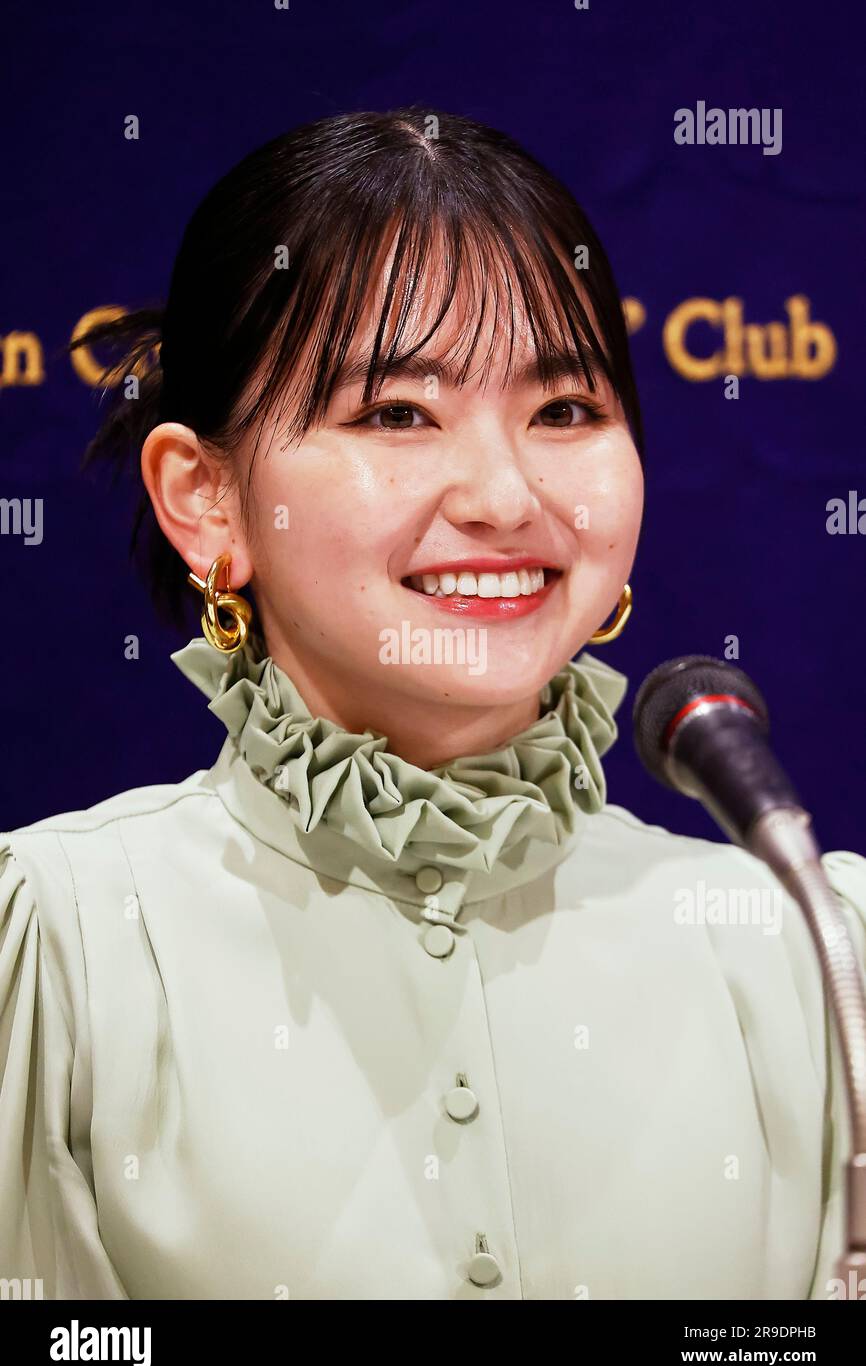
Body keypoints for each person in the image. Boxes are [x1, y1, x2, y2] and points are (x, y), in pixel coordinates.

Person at [1, 106, 863, 1301]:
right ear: (205, 498)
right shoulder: (55, 947)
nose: (506, 496)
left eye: (563, 411)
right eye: (396, 414)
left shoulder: (810, 950)